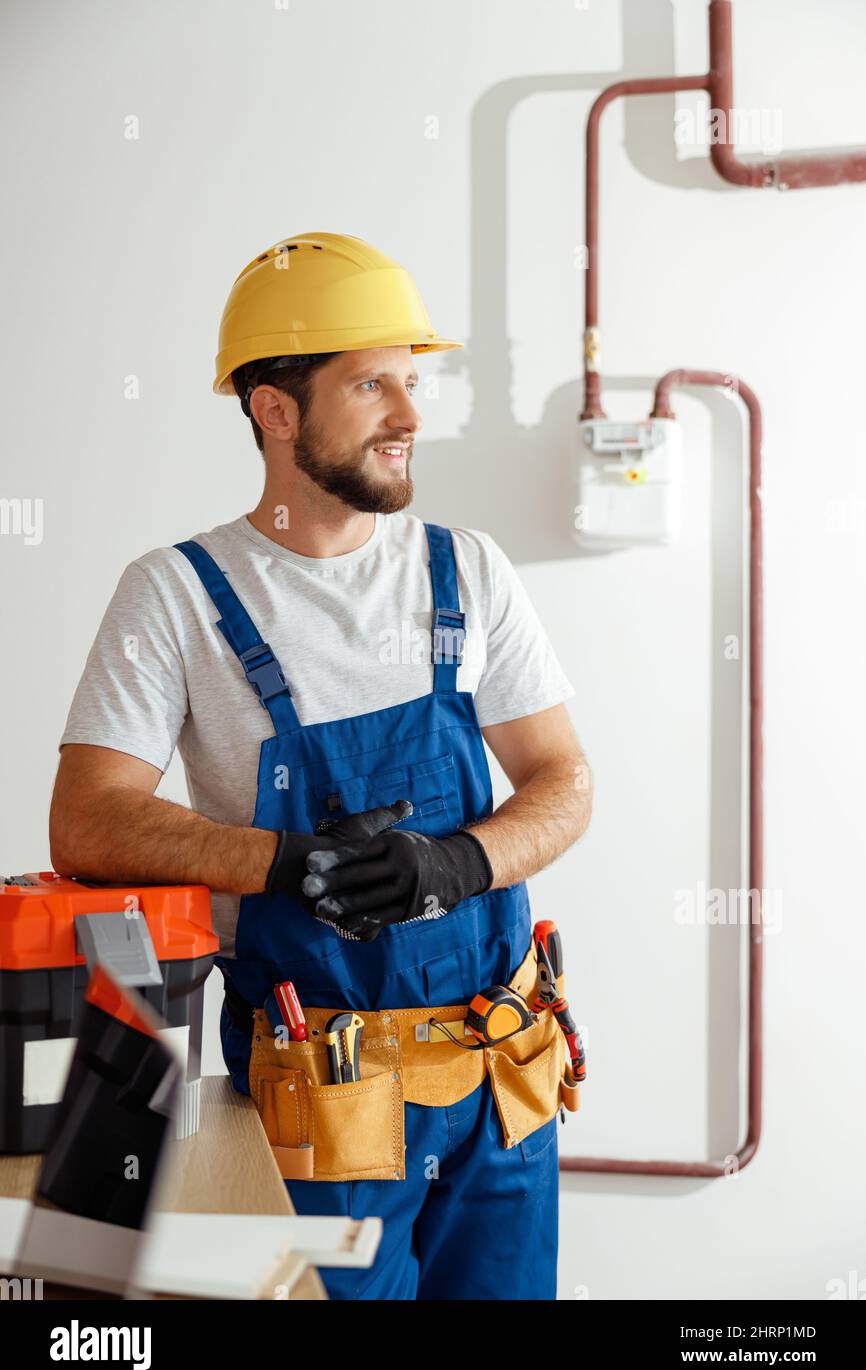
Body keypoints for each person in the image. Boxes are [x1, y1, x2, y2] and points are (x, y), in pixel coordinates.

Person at [50, 232, 592, 1300]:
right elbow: (88, 821)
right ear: (275, 409)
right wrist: (282, 859)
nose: (409, 414)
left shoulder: (464, 569)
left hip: (498, 1081)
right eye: (370, 384)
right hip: (318, 1096)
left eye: (411, 380)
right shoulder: (177, 594)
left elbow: (563, 780)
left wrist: (454, 863)